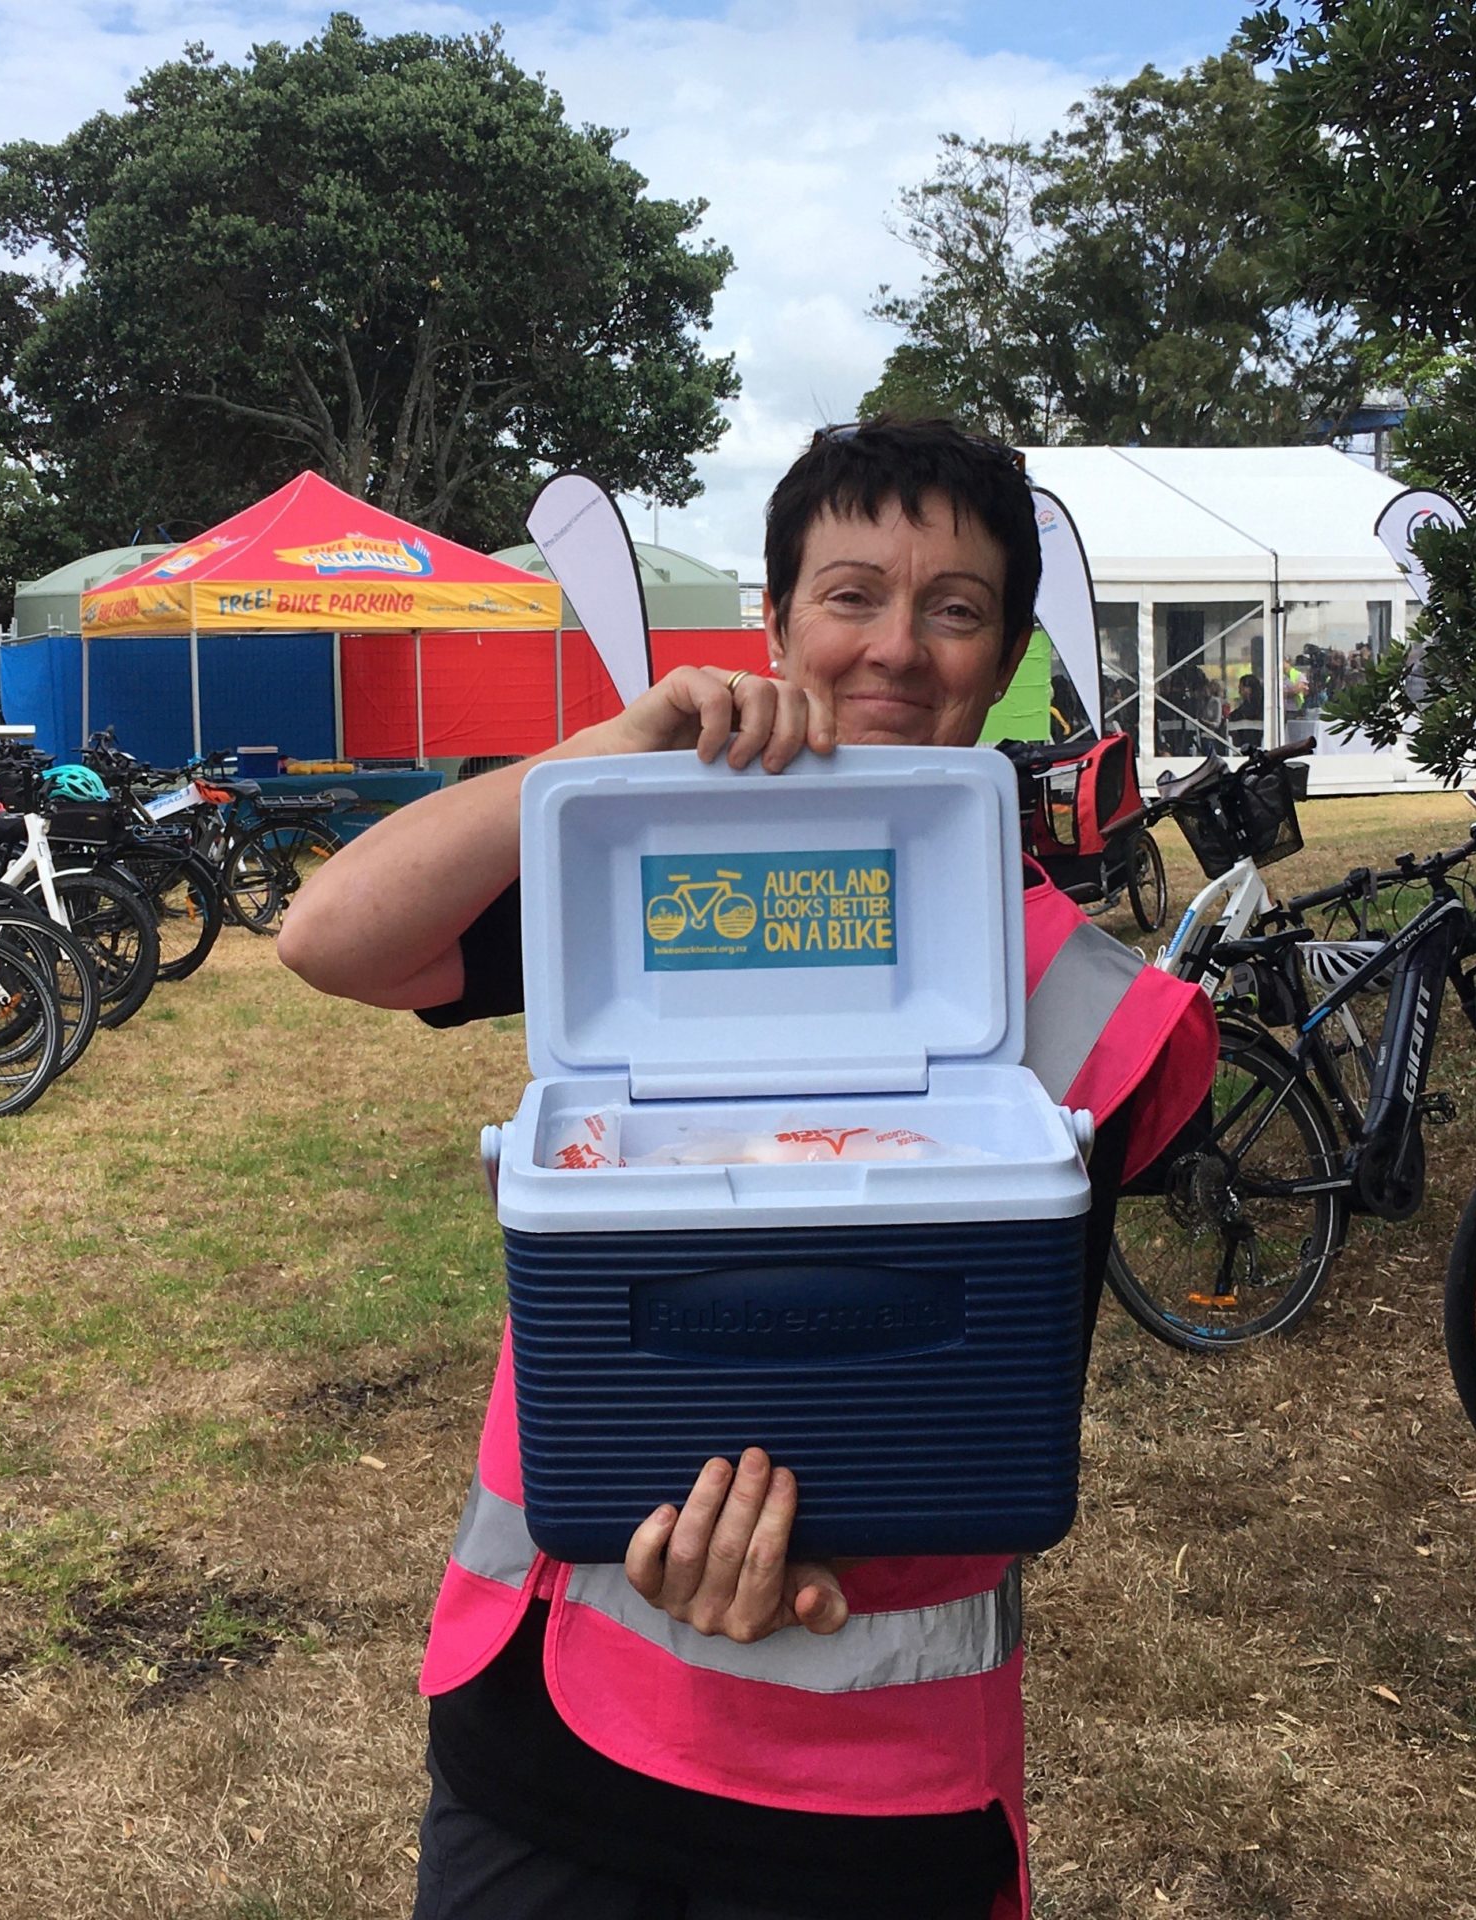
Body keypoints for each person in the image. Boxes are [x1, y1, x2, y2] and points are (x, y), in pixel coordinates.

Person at [279, 419, 1216, 1920]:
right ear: (775, 623)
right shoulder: (653, 863)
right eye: (850, 595)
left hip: (859, 1802)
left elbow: (975, 1420)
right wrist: (612, 750)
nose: (896, 648)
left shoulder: (1093, 1009)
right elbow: (331, 938)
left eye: (955, 607)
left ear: (1010, 652)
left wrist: (793, 1540)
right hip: (542, 1740)